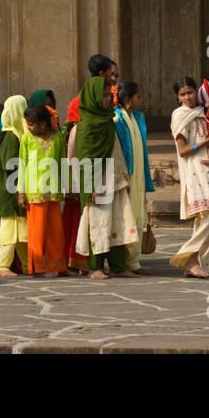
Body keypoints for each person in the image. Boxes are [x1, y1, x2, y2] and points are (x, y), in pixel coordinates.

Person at [169, 76, 209, 278]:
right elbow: (183, 150)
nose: (187, 97)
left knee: (207, 216)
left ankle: (199, 262)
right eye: (183, 94)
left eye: (190, 92)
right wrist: (208, 141)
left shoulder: (206, 112)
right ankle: (188, 257)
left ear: (197, 91)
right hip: (195, 168)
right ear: (178, 97)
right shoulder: (180, 115)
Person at [73, 76, 138, 279]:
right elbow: (85, 159)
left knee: (119, 222)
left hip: (115, 180)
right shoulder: (87, 125)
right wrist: (89, 187)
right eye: (102, 96)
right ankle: (95, 266)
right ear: (92, 97)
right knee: (98, 224)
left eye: (109, 95)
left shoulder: (108, 119)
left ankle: (119, 266)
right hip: (97, 183)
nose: (107, 100)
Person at [18, 103, 67, 276]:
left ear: (43, 124)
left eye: (31, 124)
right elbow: (22, 165)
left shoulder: (58, 138)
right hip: (34, 193)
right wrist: (21, 192)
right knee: (37, 232)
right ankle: (38, 266)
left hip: (53, 192)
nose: (28, 127)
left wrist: (66, 187)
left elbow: (63, 163)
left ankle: (56, 265)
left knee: (55, 231)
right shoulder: (26, 139)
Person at [115, 80, 155, 274]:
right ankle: (122, 262)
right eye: (139, 96)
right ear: (128, 100)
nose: (142, 100)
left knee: (138, 216)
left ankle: (134, 261)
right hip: (127, 175)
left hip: (138, 175)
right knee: (126, 217)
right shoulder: (118, 119)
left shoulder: (138, 118)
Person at [0, 95, 28, 276]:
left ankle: (26, 264)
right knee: (10, 230)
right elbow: (11, 165)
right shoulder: (10, 136)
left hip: (16, 190)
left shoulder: (17, 134)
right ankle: (3, 266)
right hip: (11, 192)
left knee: (22, 231)